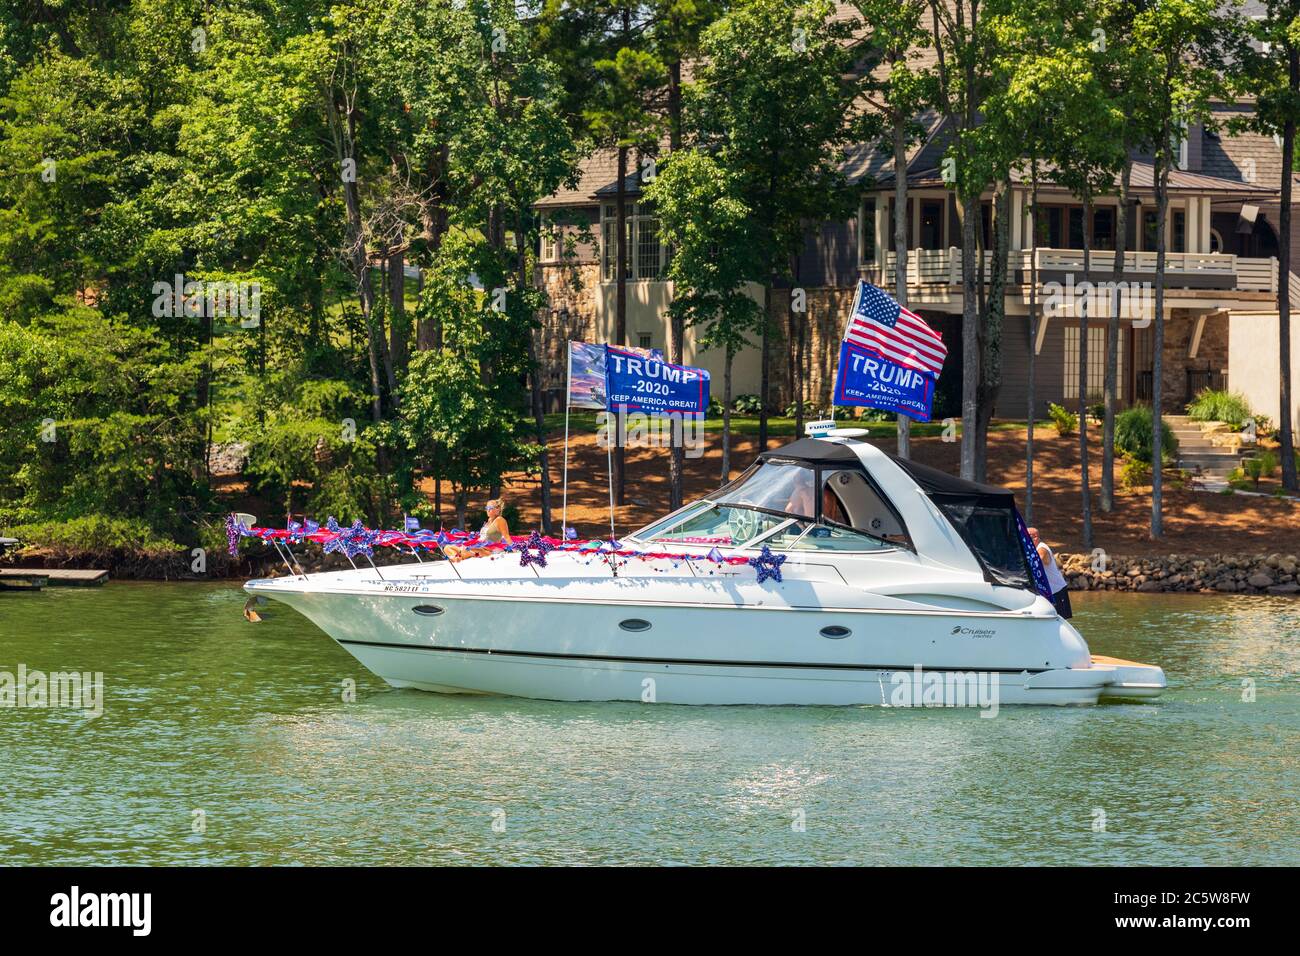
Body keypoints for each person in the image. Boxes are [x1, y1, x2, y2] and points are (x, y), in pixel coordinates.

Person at [444, 499, 510, 562]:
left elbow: (506, 536)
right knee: (447, 547)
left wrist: (513, 548)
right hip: (478, 546)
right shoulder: (488, 521)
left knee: (464, 550)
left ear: (497, 509)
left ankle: (456, 557)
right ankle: (457, 557)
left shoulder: (500, 520)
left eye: (490, 508)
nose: (488, 510)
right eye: (486, 508)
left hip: (489, 550)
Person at [1028, 526, 1072, 619]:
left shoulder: (1042, 548)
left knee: (1061, 620)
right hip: (1047, 591)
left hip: (1057, 590)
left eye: (1027, 537)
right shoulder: (1032, 549)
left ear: (1035, 537)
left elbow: (1039, 560)